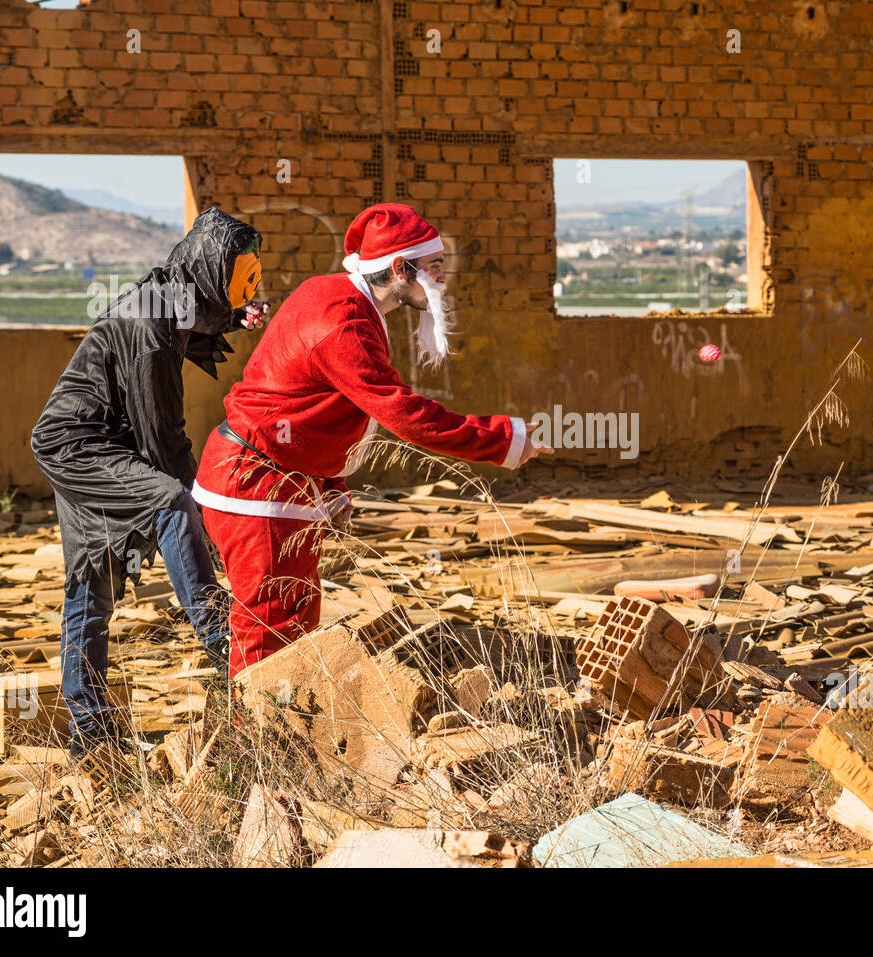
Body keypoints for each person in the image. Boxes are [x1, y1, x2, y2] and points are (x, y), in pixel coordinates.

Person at [193, 203, 549, 677]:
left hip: (271, 474)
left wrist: (331, 485)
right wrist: (504, 440)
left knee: (293, 619)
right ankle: (255, 744)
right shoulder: (343, 321)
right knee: (271, 632)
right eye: (435, 267)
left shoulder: (332, 295)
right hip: (257, 482)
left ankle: (277, 740)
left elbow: (309, 408)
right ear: (401, 268)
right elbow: (401, 413)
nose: (442, 278)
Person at [31, 207, 267, 757]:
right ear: (207, 268)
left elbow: (198, 319)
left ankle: (89, 737)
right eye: (236, 276)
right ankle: (225, 645)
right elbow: (162, 439)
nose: (243, 285)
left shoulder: (171, 297)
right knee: (171, 500)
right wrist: (210, 513)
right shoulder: (150, 325)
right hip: (77, 446)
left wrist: (236, 316)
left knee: (94, 581)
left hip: (99, 444)